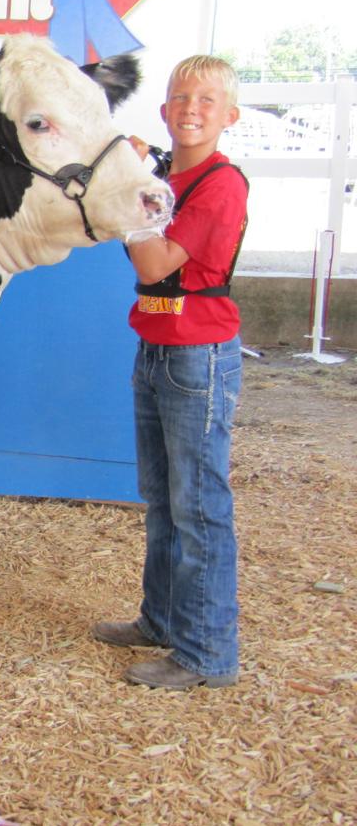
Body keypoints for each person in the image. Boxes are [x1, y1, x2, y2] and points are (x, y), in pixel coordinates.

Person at [93, 55, 248, 689]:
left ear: (229, 116)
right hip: (158, 347)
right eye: (181, 97)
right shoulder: (170, 176)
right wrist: (137, 171)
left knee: (199, 505)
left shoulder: (221, 184)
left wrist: (124, 194)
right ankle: (159, 619)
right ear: (164, 110)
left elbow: (154, 263)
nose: (191, 108)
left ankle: (207, 653)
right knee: (163, 500)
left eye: (207, 100)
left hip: (198, 354)